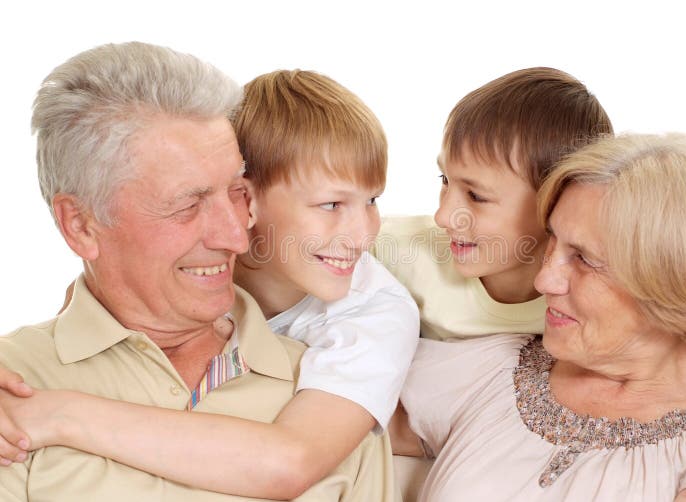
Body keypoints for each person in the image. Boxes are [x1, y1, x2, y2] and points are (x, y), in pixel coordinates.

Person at [378, 68, 686, 502]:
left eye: (583, 258)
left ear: (670, 288)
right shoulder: (492, 362)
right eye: (553, 242)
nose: (544, 280)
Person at [0, 42, 396, 501]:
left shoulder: (328, 398)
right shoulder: (14, 388)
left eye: (235, 192)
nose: (236, 236)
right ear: (82, 225)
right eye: (188, 204)